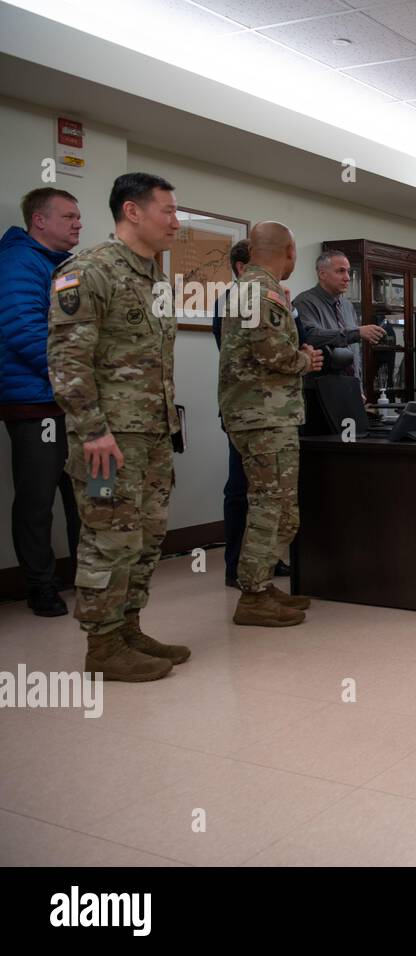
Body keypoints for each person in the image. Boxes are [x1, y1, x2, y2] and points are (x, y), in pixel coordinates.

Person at [47, 172, 190, 681]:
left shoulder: (153, 277)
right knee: (109, 538)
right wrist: (93, 431)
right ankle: (102, 646)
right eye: (168, 211)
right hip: (108, 440)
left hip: (151, 434)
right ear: (133, 212)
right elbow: (67, 363)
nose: (176, 221)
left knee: (147, 536)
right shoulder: (88, 271)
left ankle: (128, 627)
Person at [219, 221, 323, 627]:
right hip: (264, 416)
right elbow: (272, 355)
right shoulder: (260, 292)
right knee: (271, 507)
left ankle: (261, 585)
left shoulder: (247, 289)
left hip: (258, 414)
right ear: (289, 252)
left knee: (276, 506)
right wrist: (306, 360)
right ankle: (253, 595)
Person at [0, 187, 82, 616]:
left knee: (84, 497)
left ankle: (87, 581)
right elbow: (23, 331)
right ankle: (40, 586)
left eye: (78, 217)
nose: (77, 223)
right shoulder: (19, 262)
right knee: (37, 501)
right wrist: (74, 382)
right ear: (39, 220)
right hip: (38, 405)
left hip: (68, 403)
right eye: (68, 216)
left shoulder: (64, 266)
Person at [293, 250, 385, 389]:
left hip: (348, 387)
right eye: (341, 271)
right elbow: (310, 336)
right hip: (319, 388)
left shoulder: (347, 306)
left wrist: (357, 385)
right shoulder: (305, 302)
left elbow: (354, 352)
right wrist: (356, 333)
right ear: (322, 274)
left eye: (348, 271)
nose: (347, 277)